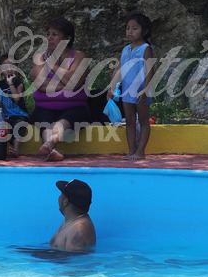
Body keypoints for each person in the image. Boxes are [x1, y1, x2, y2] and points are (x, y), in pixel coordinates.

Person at [30, 17, 92, 163]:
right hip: (44, 107)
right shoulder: (40, 57)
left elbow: (75, 83)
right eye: (48, 34)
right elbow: (40, 84)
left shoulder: (79, 56)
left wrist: (53, 66)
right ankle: (50, 147)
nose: (49, 38)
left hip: (75, 107)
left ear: (67, 38)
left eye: (55, 34)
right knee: (44, 119)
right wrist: (66, 82)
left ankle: (50, 145)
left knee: (66, 119)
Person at [107, 13, 156, 160]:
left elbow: (150, 70)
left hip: (141, 90)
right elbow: (119, 68)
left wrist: (145, 89)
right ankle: (131, 150)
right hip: (127, 91)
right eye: (128, 28)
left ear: (144, 31)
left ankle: (140, 151)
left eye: (135, 28)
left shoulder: (146, 49)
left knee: (143, 119)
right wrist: (111, 87)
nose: (130, 31)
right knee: (129, 120)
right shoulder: (126, 49)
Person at [0, 57, 30, 157]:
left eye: (12, 66)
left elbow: (16, 98)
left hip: (18, 114)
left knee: (19, 126)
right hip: (4, 116)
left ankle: (16, 149)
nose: (9, 69)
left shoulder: (18, 84)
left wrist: (10, 83)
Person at [49, 179, 96, 252]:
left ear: (65, 201)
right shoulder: (70, 220)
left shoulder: (78, 229)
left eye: (61, 194)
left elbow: (74, 261)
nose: (59, 197)